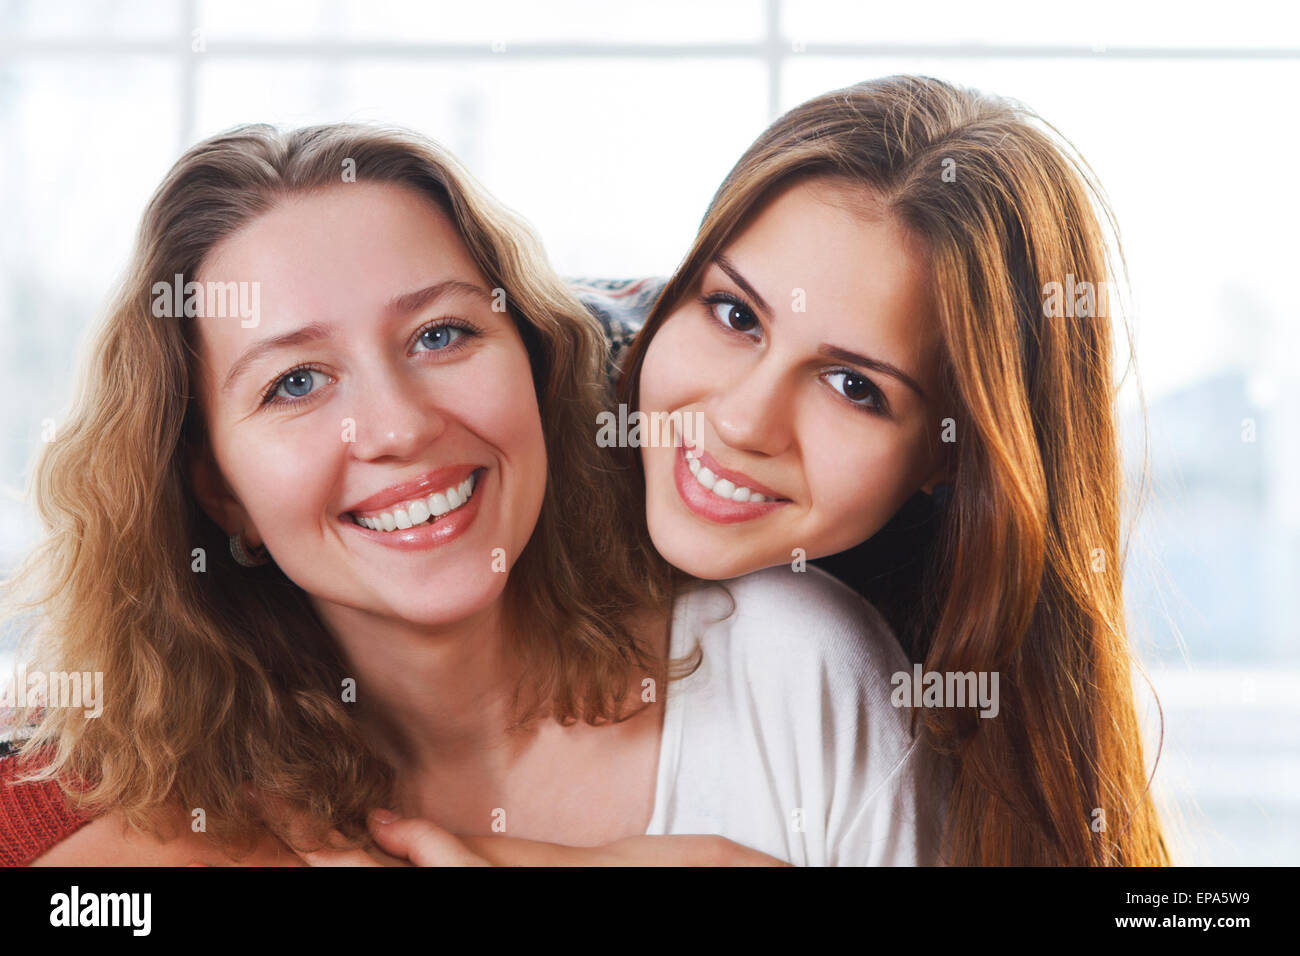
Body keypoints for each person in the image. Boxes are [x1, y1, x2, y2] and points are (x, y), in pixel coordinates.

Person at [0, 122, 931, 867]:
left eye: (440, 335)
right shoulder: (131, 830)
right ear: (217, 491)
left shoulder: (796, 664)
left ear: (537, 365)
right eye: (295, 383)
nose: (399, 427)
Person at [589, 75, 1169, 865]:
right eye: (735, 315)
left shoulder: (885, 683)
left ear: (956, 457)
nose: (739, 421)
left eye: (855, 387)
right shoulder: (519, 409)